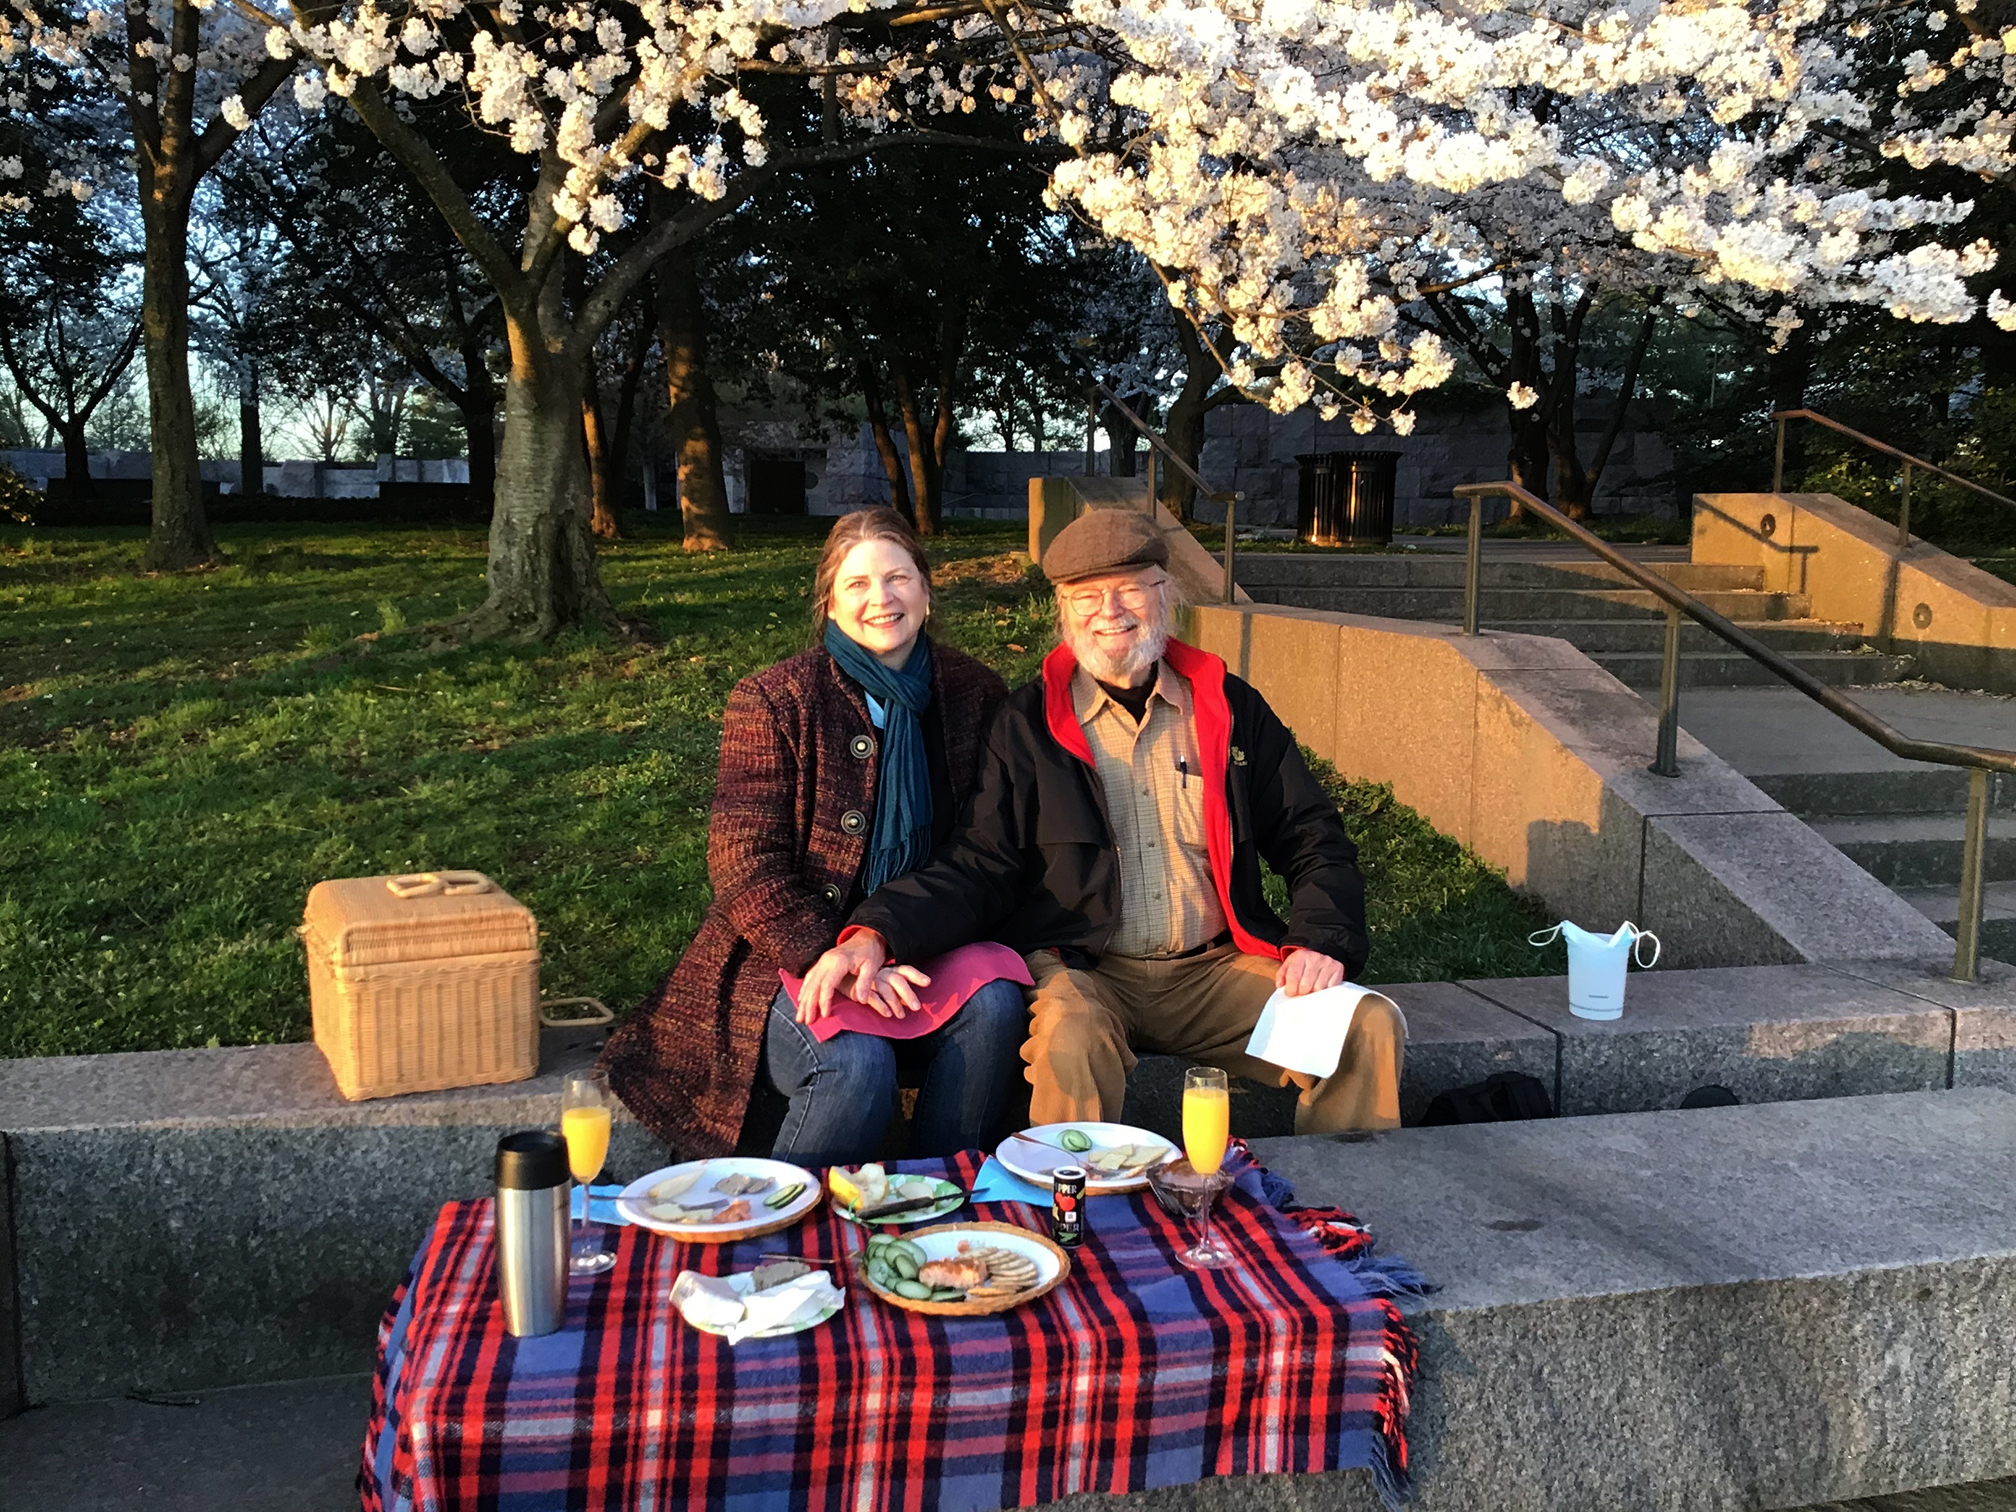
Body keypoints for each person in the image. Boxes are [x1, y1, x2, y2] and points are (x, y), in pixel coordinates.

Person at [801, 508, 1404, 1134]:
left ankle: (1330, 1222)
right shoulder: (1026, 723)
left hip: (1214, 974)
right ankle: (1072, 1223)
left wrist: (1319, 938)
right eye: (1086, 596)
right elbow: (981, 862)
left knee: (1365, 1026)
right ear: (1062, 609)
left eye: (1129, 587)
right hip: (1086, 971)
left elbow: (1313, 835)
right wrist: (877, 933)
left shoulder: (1229, 708)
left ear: (1164, 592)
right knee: (1069, 1040)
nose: (1109, 611)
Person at [600, 508, 1026, 1166]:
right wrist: (830, 954)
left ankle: (945, 1204)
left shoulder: (976, 692)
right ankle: (783, 1246)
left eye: (896, 578)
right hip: (786, 950)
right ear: (829, 599)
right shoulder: (776, 699)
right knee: (856, 1063)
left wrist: (884, 940)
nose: (880, 599)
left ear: (926, 589)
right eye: (857, 584)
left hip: (925, 935)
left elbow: (983, 852)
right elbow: (746, 865)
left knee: (997, 1007)